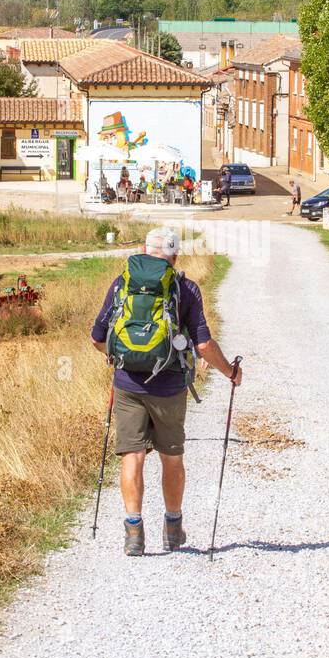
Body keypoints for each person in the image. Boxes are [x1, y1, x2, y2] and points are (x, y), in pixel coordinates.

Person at [90, 227, 243, 557]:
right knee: (171, 457)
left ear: (145, 250)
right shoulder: (185, 288)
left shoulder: (122, 284)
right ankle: (172, 529)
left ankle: (134, 532)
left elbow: (97, 336)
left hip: (128, 384)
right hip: (170, 387)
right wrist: (230, 372)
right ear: (175, 256)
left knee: (133, 456)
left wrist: (119, 359)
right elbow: (203, 344)